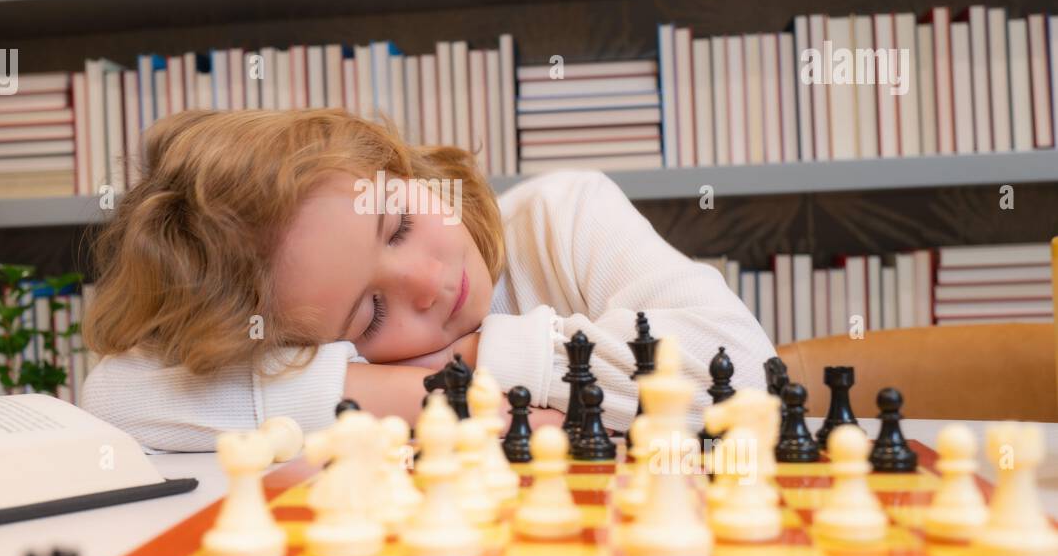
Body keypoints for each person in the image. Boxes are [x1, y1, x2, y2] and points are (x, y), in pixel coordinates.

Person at [80, 108, 776, 451]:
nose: (427, 284)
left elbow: (746, 371)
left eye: (399, 225)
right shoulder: (313, 338)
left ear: (402, 171)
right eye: (371, 314)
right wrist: (401, 391)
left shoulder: (564, 218)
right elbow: (113, 394)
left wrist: (464, 368)